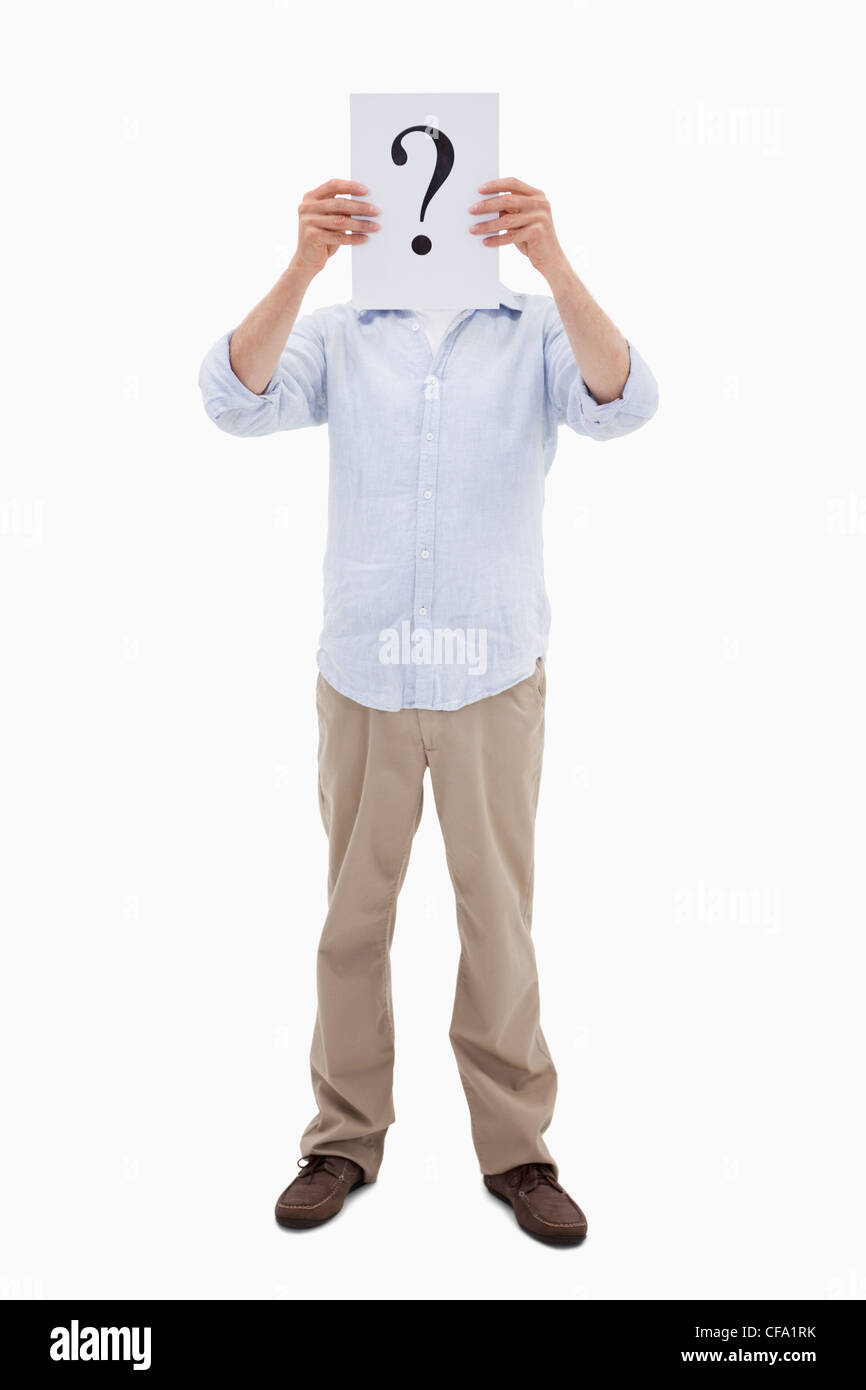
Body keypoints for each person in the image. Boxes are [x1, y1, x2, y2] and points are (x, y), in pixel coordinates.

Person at [199, 175, 658, 1246]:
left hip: (490, 675)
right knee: (352, 918)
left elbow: (625, 403)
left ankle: (517, 1152)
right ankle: (342, 1137)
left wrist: (552, 259)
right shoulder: (339, 331)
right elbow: (230, 400)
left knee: (497, 920)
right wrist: (304, 260)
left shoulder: (535, 330)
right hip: (363, 673)